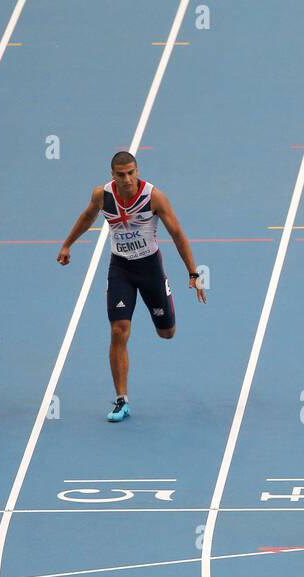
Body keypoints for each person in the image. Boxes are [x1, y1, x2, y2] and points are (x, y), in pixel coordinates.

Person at [57, 151, 206, 421]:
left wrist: (193, 273)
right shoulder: (102, 196)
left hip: (150, 269)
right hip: (121, 269)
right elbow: (87, 217)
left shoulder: (154, 197)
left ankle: (165, 306)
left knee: (167, 333)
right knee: (119, 330)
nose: (126, 179)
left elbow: (177, 232)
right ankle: (121, 400)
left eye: (131, 173)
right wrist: (67, 244)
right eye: (120, 175)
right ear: (112, 175)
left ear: (137, 171)